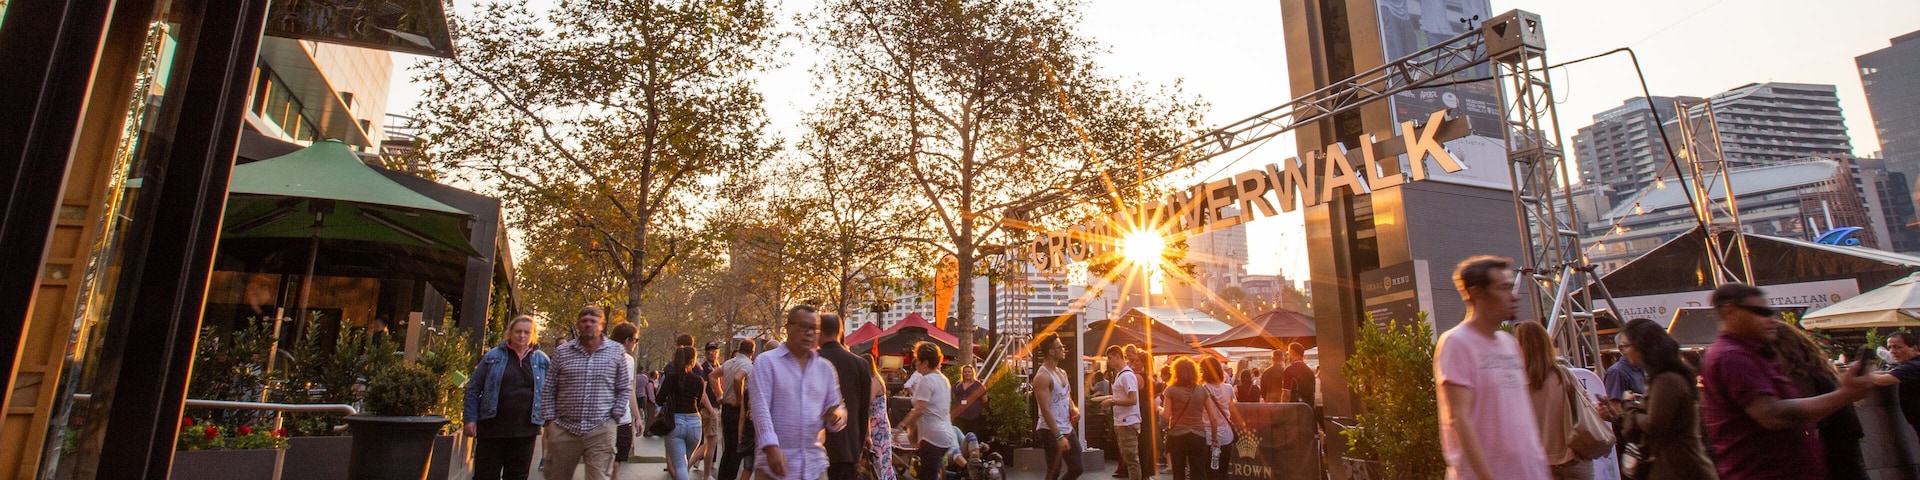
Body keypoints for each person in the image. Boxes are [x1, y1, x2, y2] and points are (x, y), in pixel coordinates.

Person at [1701, 283, 1883, 480]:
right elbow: (1772, 415)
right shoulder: (1732, 356)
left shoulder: (1751, 354)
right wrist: (1845, 394)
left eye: (1771, 312)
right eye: (1760, 312)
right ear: (1730, 312)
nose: (1771, 319)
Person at [1434, 256, 1549, 480]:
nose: (1514, 296)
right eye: (1504, 288)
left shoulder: (1509, 343)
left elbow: (1520, 413)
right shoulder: (1457, 343)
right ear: (1477, 293)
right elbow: (1459, 418)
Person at [750, 305, 849, 480]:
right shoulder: (767, 362)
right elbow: (760, 409)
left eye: (814, 329)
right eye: (803, 327)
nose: (809, 333)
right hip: (774, 467)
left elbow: (838, 409)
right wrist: (771, 447)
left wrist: (836, 415)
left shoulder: (825, 369)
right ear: (787, 328)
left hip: (814, 465)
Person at [539, 305, 633, 480]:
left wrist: (615, 417)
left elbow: (623, 387)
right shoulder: (563, 352)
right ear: (578, 324)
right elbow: (549, 387)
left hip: (601, 428)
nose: (588, 324)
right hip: (565, 428)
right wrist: (551, 421)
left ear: (602, 325)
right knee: (556, 476)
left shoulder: (616, 351)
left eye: (593, 321)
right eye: (584, 321)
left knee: (599, 477)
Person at [1617, 318, 1716, 480]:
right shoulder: (1662, 378)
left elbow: (1653, 425)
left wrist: (1630, 407)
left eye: (1626, 346)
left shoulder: (1667, 380)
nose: (1624, 351)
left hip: (1681, 469)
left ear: (1643, 346)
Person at [1769, 322, 1868, 480]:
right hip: (1844, 450)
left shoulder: (1800, 376)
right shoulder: (1817, 371)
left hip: (1831, 454)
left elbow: (1811, 423)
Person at [464, 315, 550, 480]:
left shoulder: (542, 360)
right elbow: (474, 389)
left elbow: (551, 391)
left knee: (517, 476)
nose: (522, 335)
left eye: (527, 332)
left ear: (533, 334)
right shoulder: (492, 357)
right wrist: (470, 419)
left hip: (525, 431)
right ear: (510, 333)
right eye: (518, 331)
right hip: (492, 428)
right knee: (485, 475)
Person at [1513, 320, 1594, 480]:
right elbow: (1589, 406)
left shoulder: (1516, 383)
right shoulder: (1563, 375)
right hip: (1575, 458)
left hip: (1540, 466)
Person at [816, 313, 874, 479]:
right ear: (841, 332)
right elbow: (864, 411)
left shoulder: (811, 361)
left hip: (817, 448)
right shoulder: (860, 364)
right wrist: (859, 444)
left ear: (819, 332)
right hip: (848, 447)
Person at [1030, 335, 1084, 480]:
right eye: (1060, 347)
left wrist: (1074, 409)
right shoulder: (1042, 377)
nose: (1063, 349)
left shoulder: (1062, 372)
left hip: (1066, 426)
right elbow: (1045, 409)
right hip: (1049, 429)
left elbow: (1067, 396)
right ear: (1051, 352)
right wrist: (1058, 436)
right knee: (1054, 470)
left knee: (1077, 467)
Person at [657, 345, 715, 480]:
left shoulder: (671, 378)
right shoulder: (698, 380)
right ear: (692, 360)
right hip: (695, 423)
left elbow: (659, 400)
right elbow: (700, 402)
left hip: (676, 422)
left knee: (680, 466)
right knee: (685, 462)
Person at [902, 341, 955, 480]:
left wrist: (902, 425)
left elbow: (920, 409)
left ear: (925, 362)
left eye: (918, 360)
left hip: (932, 437)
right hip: (946, 435)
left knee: (927, 476)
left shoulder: (926, 380)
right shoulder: (943, 379)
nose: (916, 363)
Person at [1159, 357, 1212, 480]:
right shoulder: (1202, 390)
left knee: (1178, 472)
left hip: (1177, 435)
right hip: (1198, 435)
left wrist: (1159, 410)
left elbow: (1166, 416)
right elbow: (1213, 417)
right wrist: (1214, 438)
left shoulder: (1171, 390)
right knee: (1198, 472)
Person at [715, 338, 757, 480]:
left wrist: (720, 394)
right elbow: (738, 378)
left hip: (726, 408)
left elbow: (712, 376)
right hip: (737, 410)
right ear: (752, 351)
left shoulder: (728, 363)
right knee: (736, 449)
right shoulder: (747, 365)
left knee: (728, 449)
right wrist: (739, 399)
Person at [1100, 345, 1144, 480]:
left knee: (1131, 459)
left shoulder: (1126, 375)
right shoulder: (1123, 375)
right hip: (1123, 421)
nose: (1109, 361)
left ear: (1118, 356)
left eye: (1110, 358)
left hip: (1127, 422)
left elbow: (1133, 399)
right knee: (1129, 458)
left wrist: (1113, 402)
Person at [608, 323, 641, 476]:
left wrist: (637, 417)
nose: (635, 343)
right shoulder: (622, 359)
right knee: (612, 462)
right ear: (627, 340)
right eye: (635, 340)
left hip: (618, 419)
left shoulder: (628, 360)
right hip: (614, 419)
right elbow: (628, 389)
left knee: (613, 462)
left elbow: (629, 390)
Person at [1199, 357, 1239, 480]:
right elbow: (1232, 410)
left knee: (1209, 471)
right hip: (1226, 435)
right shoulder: (1228, 388)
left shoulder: (1202, 389)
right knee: (1223, 471)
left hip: (1208, 436)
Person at [1879, 332, 1920, 438]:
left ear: (1914, 348)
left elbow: (1882, 380)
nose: (1892, 352)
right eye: (1890, 348)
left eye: (1897, 347)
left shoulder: (1912, 366)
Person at [864, 357, 897, 480]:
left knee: (879, 458)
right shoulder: (877, 379)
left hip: (877, 427)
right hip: (878, 424)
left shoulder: (874, 381)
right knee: (882, 458)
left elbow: (866, 402)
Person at [1605, 329, 1649, 412]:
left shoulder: (1644, 368)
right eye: (1637, 345)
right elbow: (1615, 407)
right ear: (1622, 349)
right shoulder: (1617, 372)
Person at [953, 365, 988, 440]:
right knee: (960, 436)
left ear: (972, 373)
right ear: (962, 373)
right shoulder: (958, 385)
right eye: (965, 372)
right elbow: (954, 396)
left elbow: (985, 399)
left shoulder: (978, 385)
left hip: (974, 417)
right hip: (960, 417)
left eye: (969, 372)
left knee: (973, 437)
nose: (967, 374)